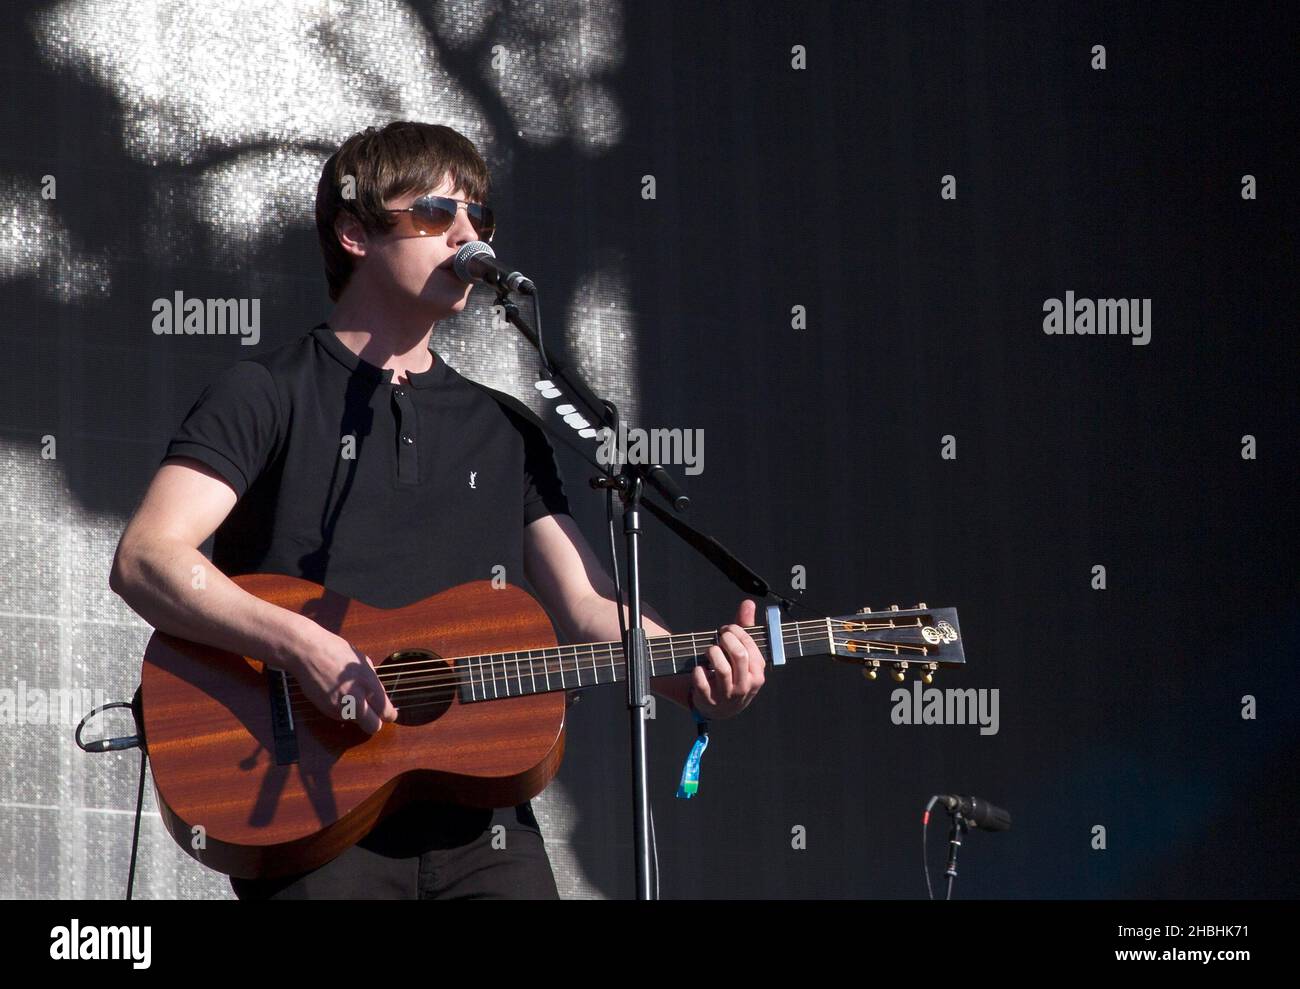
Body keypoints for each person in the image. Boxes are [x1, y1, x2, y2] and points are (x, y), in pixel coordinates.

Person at [109, 120, 765, 899]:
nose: (466, 234)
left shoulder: (508, 427)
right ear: (353, 232)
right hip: (308, 811)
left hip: (481, 822)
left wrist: (689, 672)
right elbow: (147, 557)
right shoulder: (264, 393)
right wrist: (304, 647)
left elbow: (587, 605)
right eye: (435, 213)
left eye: (478, 218)